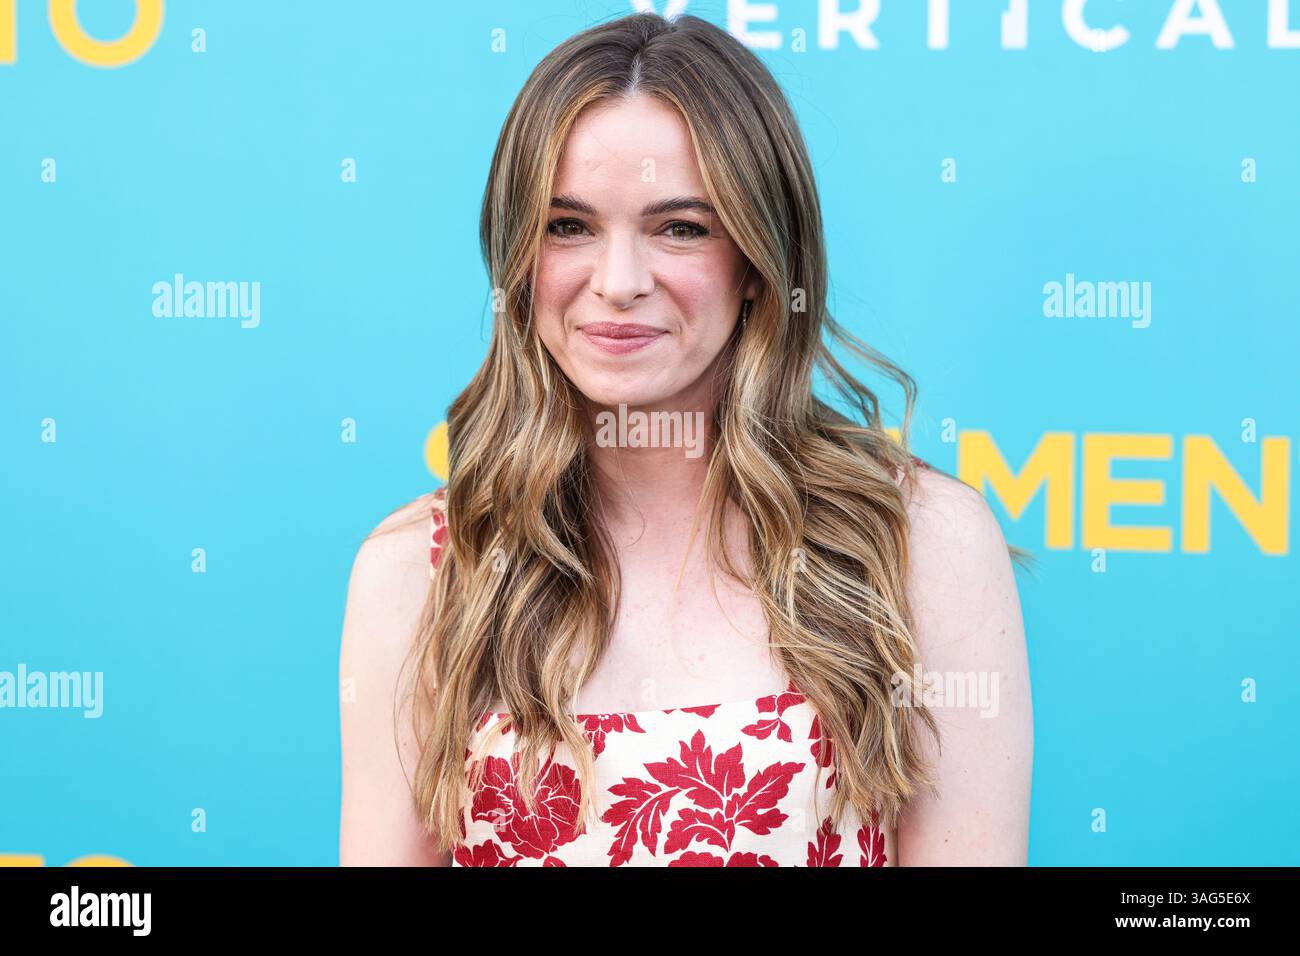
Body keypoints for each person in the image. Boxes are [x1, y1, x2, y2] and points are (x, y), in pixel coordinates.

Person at [339, 11, 1032, 867]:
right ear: (516, 256)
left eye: (680, 227)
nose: (619, 283)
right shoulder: (423, 570)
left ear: (757, 260)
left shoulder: (919, 543)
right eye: (569, 226)